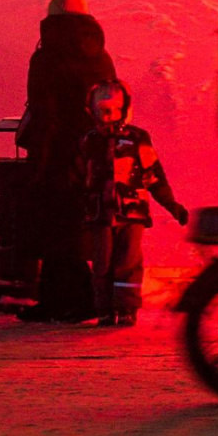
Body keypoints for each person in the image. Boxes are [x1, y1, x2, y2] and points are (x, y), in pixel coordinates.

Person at [18, 0, 118, 322]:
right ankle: (61, 298)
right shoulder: (100, 54)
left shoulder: (47, 56)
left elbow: (44, 111)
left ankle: (70, 298)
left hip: (56, 148)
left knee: (53, 224)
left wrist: (40, 160)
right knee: (75, 224)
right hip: (91, 149)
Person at [77, 79, 186, 324]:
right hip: (99, 215)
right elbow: (77, 176)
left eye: (113, 110)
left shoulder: (137, 139)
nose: (108, 117)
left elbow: (154, 176)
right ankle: (104, 309)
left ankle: (126, 308)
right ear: (93, 111)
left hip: (132, 212)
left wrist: (172, 205)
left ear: (124, 110)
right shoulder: (88, 141)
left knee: (128, 261)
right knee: (102, 263)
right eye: (102, 111)